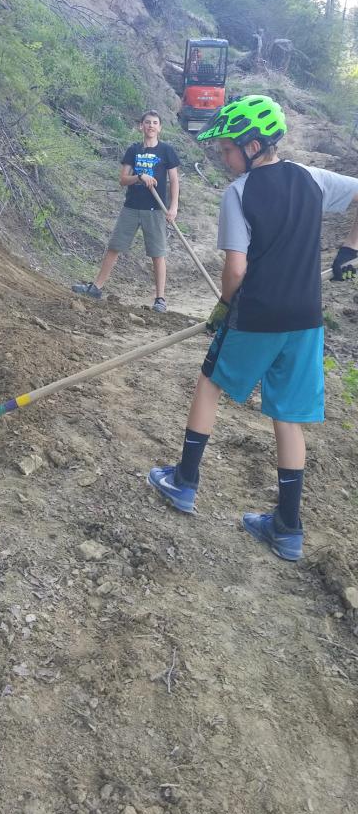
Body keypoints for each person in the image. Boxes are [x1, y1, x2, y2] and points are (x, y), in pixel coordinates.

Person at [147, 94, 358, 560]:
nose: (223, 158)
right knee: (288, 416)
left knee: (208, 383)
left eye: (227, 149)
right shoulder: (313, 179)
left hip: (256, 315)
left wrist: (223, 307)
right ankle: (287, 528)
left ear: (255, 145)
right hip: (305, 320)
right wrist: (350, 249)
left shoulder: (239, 193)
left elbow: (237, 270)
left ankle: (184, 481)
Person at [72, 110, 180, 312]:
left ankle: (160, 299)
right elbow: (123, 180)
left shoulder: (166, 151)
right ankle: (96, 288)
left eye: (155, 123)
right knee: (115, 246)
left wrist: (173, 207)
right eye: (147, 122)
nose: (151, 126)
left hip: (155, 209)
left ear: (160, 127)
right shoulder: (133, 150)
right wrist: (140, 177)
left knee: (157, 253)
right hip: (131, 206)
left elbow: (174, 180)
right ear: (141, 126)